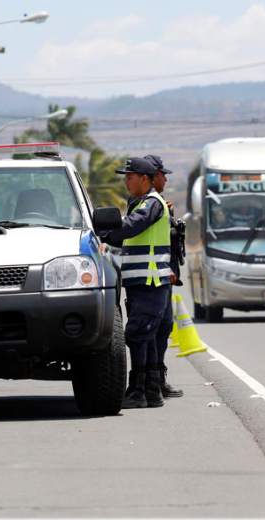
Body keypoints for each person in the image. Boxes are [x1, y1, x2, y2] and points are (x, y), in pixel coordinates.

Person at [102, 157, 171, 409]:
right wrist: (108, 239)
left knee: (137, 335)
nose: (126, 181)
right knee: (147, 336)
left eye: (130, 177)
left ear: (144, 179)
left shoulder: (151, 203)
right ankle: (151, 392)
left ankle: (138, 391)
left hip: (150, 281)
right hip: (141, 282)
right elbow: (126, 238)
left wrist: (105, 231)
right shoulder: (139, 203)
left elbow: (132, 227)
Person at [144, 154, 184, 399]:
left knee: (164, 327)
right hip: (152, 278)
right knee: (153, 328)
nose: (165, 180)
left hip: (164, 275)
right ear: (151, 177)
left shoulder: (159, 203)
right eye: (162, 175)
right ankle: (150, 382)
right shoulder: (146, 203)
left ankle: (158, 379)